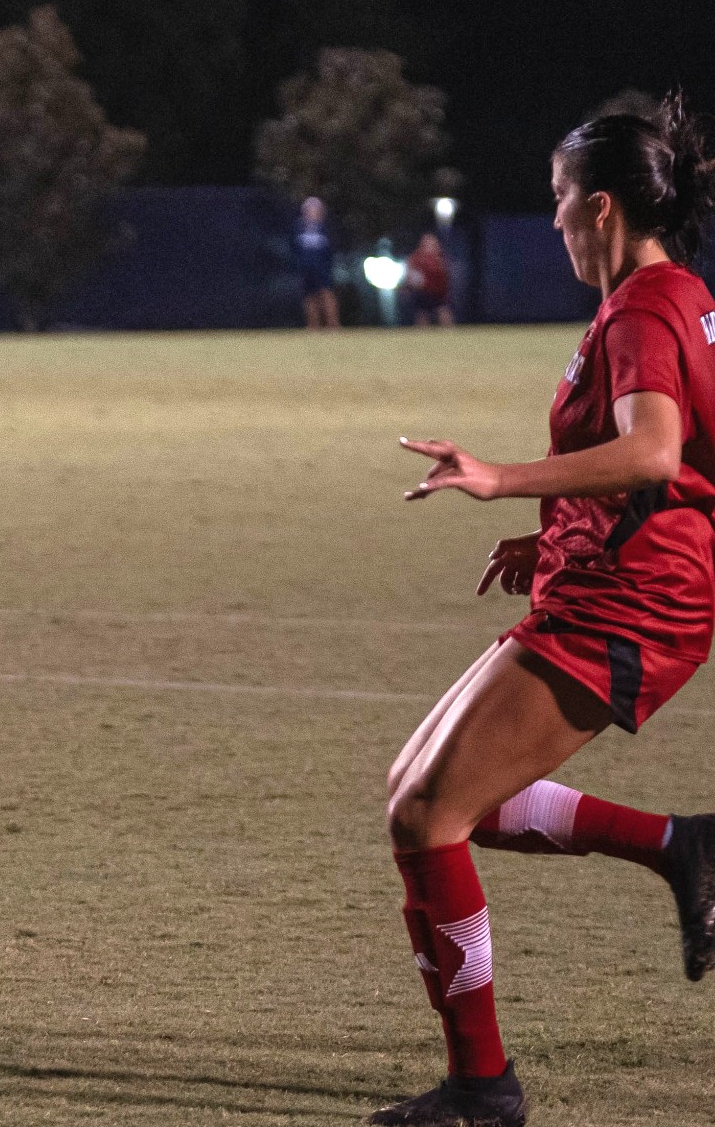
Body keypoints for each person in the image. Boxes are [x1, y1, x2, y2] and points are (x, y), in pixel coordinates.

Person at [378, 93, 715, 1126]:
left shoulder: (646, 310)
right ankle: (677, 844)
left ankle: (482, 1086)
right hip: (611, 581)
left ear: (602, 207)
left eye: (559, 202)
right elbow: (677, 462)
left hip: (635, 604)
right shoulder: (670, 299)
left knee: (428, 816)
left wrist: (502, 478)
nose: (554, 221)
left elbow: (654, 448)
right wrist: (554, 530)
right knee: (417, 795)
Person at [294, 196, 339, 329]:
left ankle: (333, 324)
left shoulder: (326, 228)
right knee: (309, 296)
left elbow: (332, 247)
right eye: (309, 210)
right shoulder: (299, 228)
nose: (311, 212)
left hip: (323, 267)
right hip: (306, 268)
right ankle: (313, 325)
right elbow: (294, 248)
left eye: (315, 210)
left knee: (326, 293)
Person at [406, 232, 455, 327]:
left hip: (438, 293)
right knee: (422, 315)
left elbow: (444, 276)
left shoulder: (440, 257)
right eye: (427, 242)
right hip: (423, 293)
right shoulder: (416, 258)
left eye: (432, 242)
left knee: (443, 312)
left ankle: (450, 335)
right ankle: (422, 339)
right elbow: (410, 274)